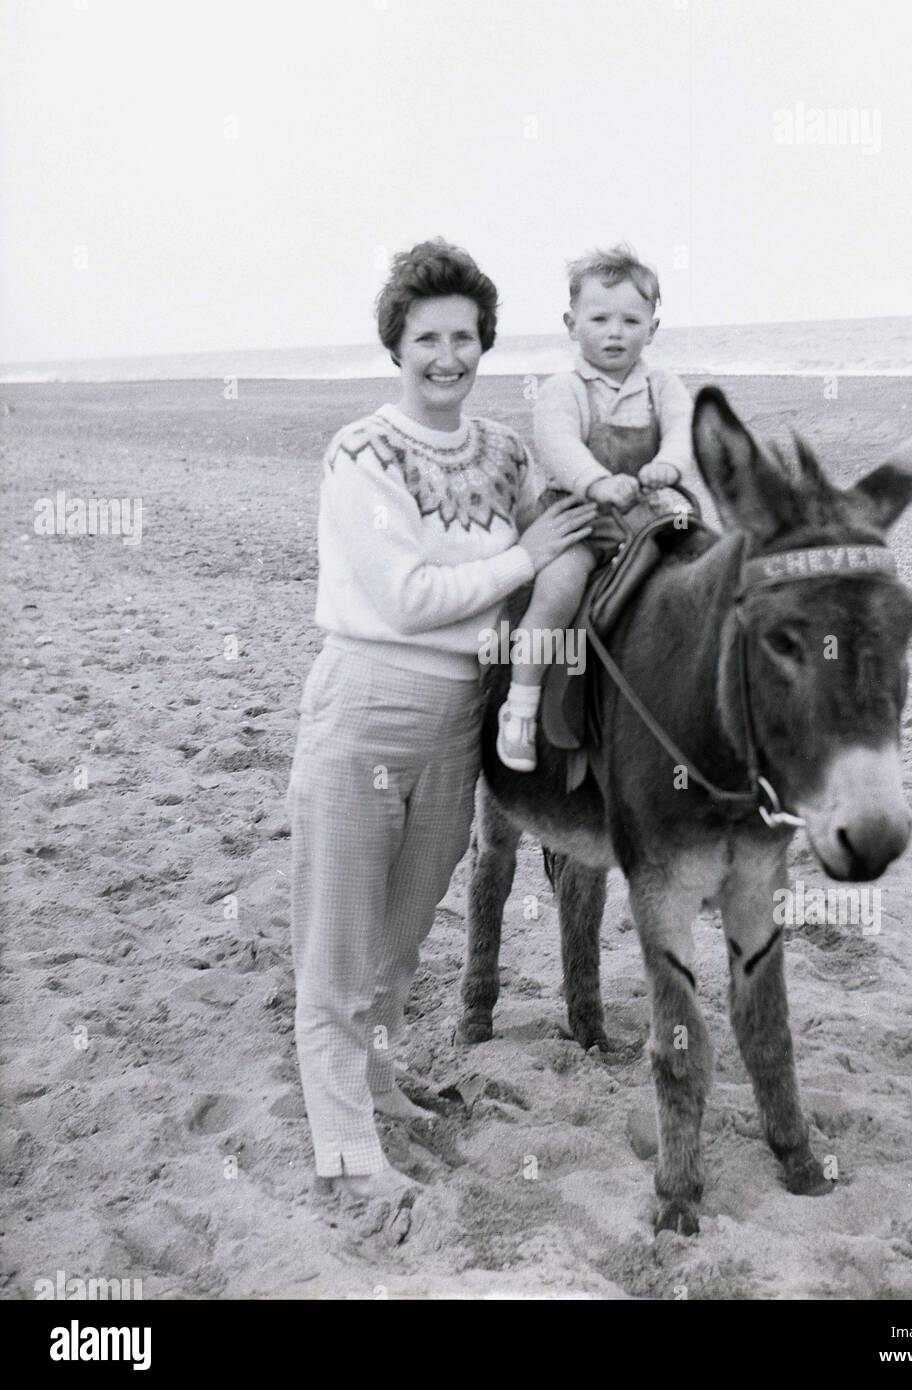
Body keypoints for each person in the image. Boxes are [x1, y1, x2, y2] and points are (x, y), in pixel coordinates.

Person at [286, 239, 596, 1202]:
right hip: (364, 704)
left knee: (407, 929)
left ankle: (381, 1085)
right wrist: (521, 558)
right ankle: (345, 1148)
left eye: (465, 337)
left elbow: (570, 537)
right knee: (340, 940)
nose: (448, 356)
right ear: (397, 344)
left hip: (462, 714)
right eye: (428, 337)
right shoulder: (361, 451)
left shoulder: (504, 453)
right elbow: (409, 594)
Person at [495, 243, 713, 772]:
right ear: (572, 324)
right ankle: (520, 708)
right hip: (581, 521)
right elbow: (558, 444)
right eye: (600, 319)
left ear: (652, 329)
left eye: (631, 320)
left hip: (644, 515)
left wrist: (668, 464)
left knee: (708, 574)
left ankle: (699, 698)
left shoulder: (662, 385)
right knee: (556, 596)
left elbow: (684, 430)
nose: (615, 332)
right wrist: (595, 481)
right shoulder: (565, 390)